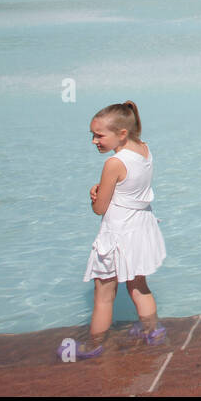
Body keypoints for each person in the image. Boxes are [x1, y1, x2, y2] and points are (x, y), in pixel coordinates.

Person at [80, 101, 167, 357]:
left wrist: (93, 193)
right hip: (141, 227)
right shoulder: (145, 149)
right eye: (92, 135)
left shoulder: (114, 163)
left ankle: (94, 345)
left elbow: (100, 208)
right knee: (138, 284)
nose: (94, 141)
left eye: (99, 135)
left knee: (104, 293)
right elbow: (129, 188)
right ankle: (153, 331)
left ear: (121, 133)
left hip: (117, 232)